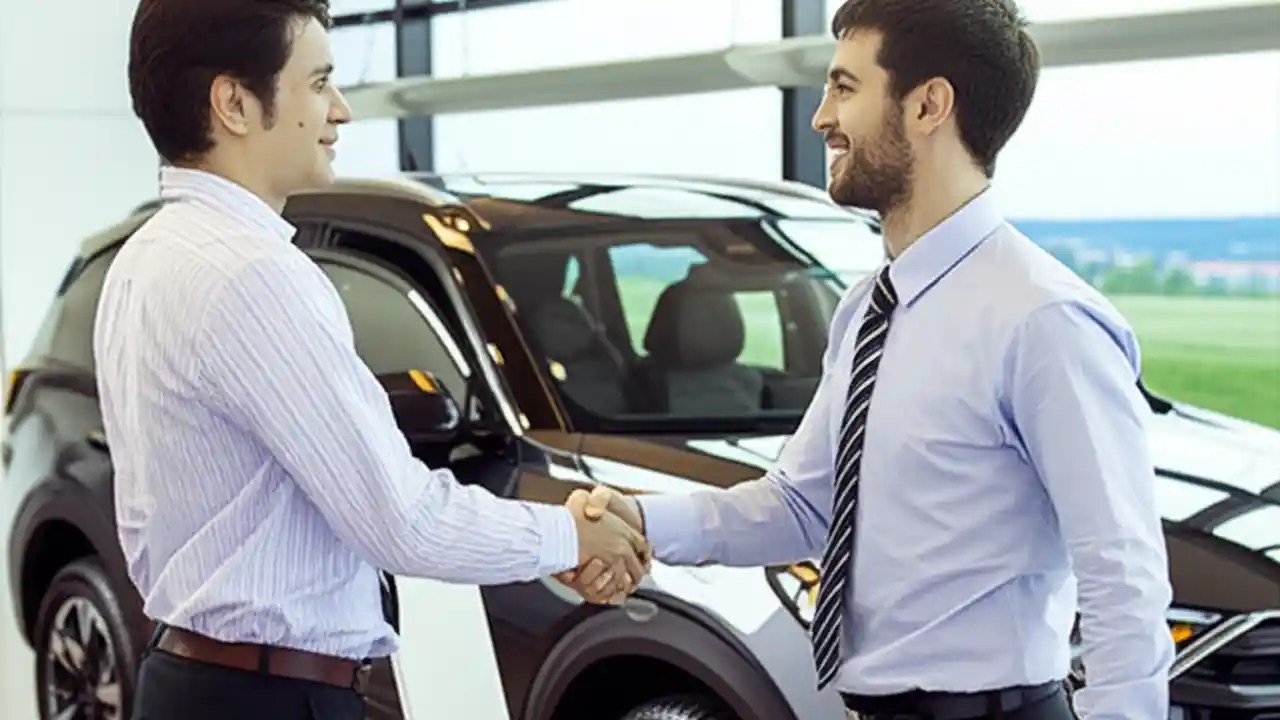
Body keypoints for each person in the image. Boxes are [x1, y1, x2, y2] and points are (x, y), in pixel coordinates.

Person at [571, 1, 1175, 718]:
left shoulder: (1042, 318)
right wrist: (639, 524)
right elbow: (801, 504)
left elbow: (1122, 573)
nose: (821, 117)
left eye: (845, 88)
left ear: (929, 105)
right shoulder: (867, 309)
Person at [97, 2, 647, 719]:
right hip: (268, 700)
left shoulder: (142, 258)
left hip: (194, 680)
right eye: (319, 82)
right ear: (234, 102)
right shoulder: (255, 275)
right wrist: (571, 533)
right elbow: (400, 520)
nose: (342, 110)